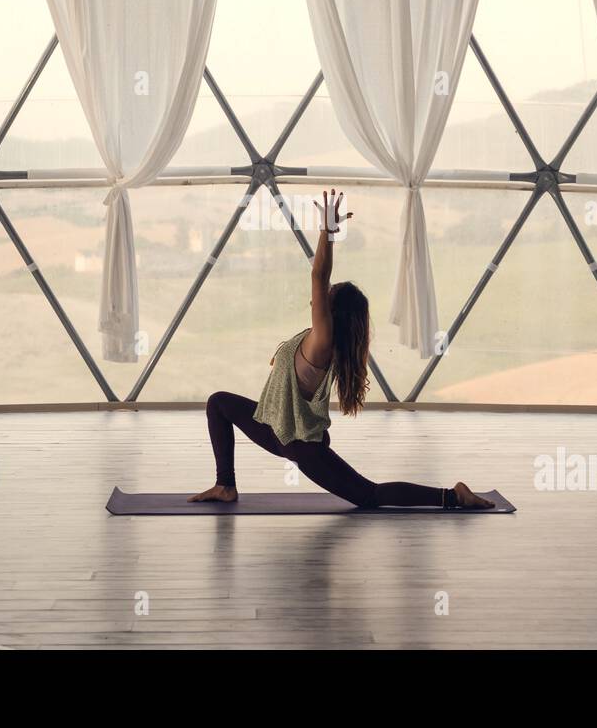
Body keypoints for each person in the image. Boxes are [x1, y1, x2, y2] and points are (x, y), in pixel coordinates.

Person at [190, 188, 493, 510]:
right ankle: (225, 485)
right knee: (219, 403)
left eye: (329, 293)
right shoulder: (316, 337)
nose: (323, 293)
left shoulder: (323, 341)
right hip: (275, 427)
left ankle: (453, 495)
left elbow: (319, 274)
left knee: (368, 496)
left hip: (299, 443)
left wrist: (327, 232)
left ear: (332, 310)